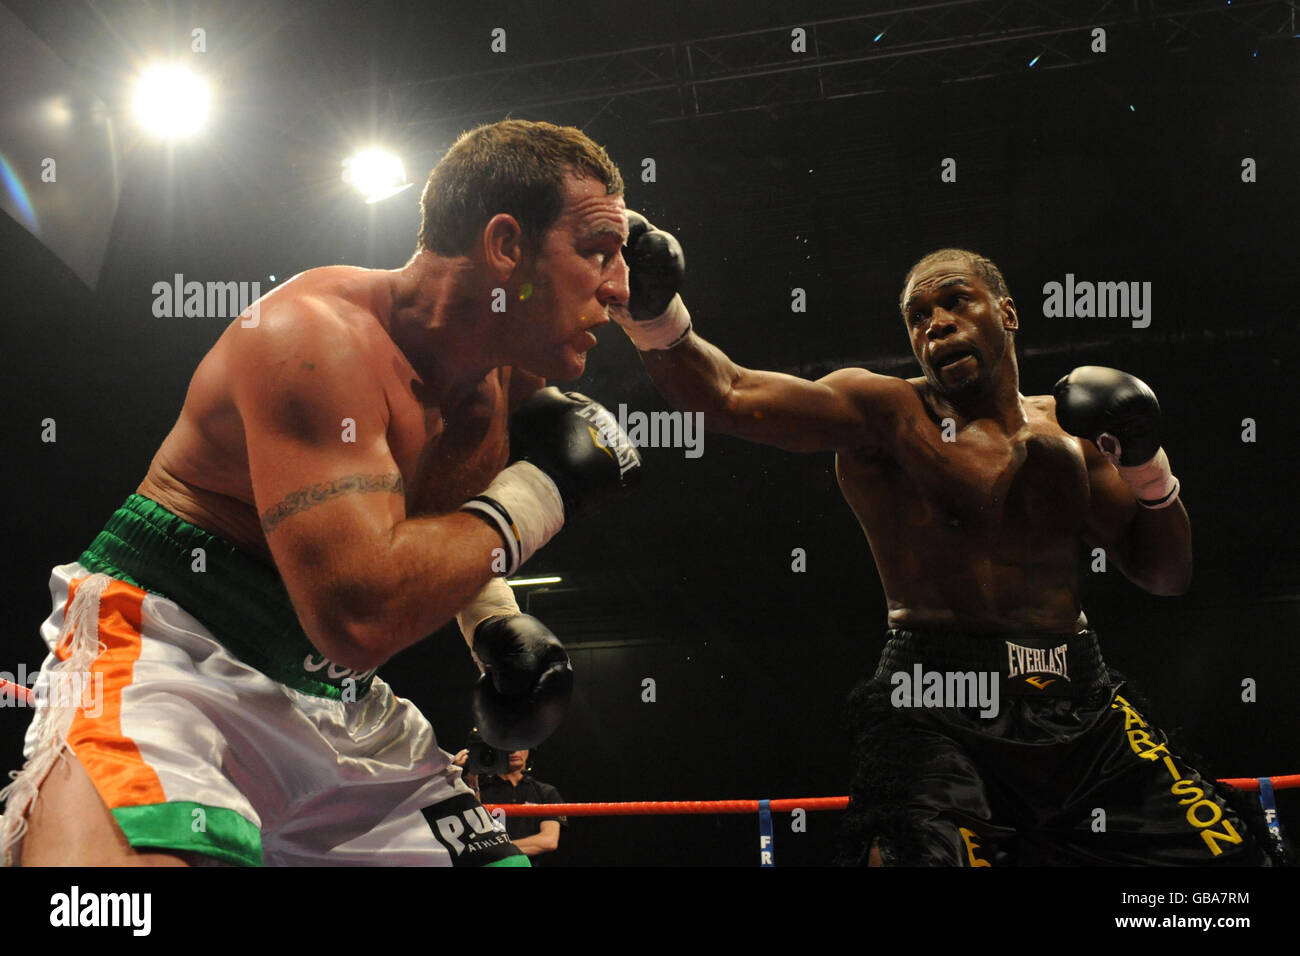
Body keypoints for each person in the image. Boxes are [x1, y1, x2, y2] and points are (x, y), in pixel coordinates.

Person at [0, 119, 640, 867]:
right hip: (171, 654)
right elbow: (358, 612)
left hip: (342, 702)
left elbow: (435, 514)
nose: (621, 288)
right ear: (505, 246)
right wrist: (543, 492)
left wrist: (494, 620)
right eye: (598, 254)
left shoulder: (507, 374)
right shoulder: (312, 340)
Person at [614, 222, 1282, 866]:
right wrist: (655, 315)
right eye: (917, 316)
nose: (935, 324)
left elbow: (1165, 575)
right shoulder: (886, 414)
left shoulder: (1075, 433)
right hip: (934, 695)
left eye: (955, 301)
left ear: (1008, 313)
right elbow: (729, 394)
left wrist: (1145, 460)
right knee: (914, 856)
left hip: (1079, 694)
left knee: (1232, 869)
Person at [474, 749, 567, 863]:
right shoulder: (480, 791)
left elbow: (548, 841)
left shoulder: (545, 792)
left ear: (529, 749)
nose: (513, 751)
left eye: (520, 744)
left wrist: (494, 849)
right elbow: (473, 844)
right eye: (507, 745)